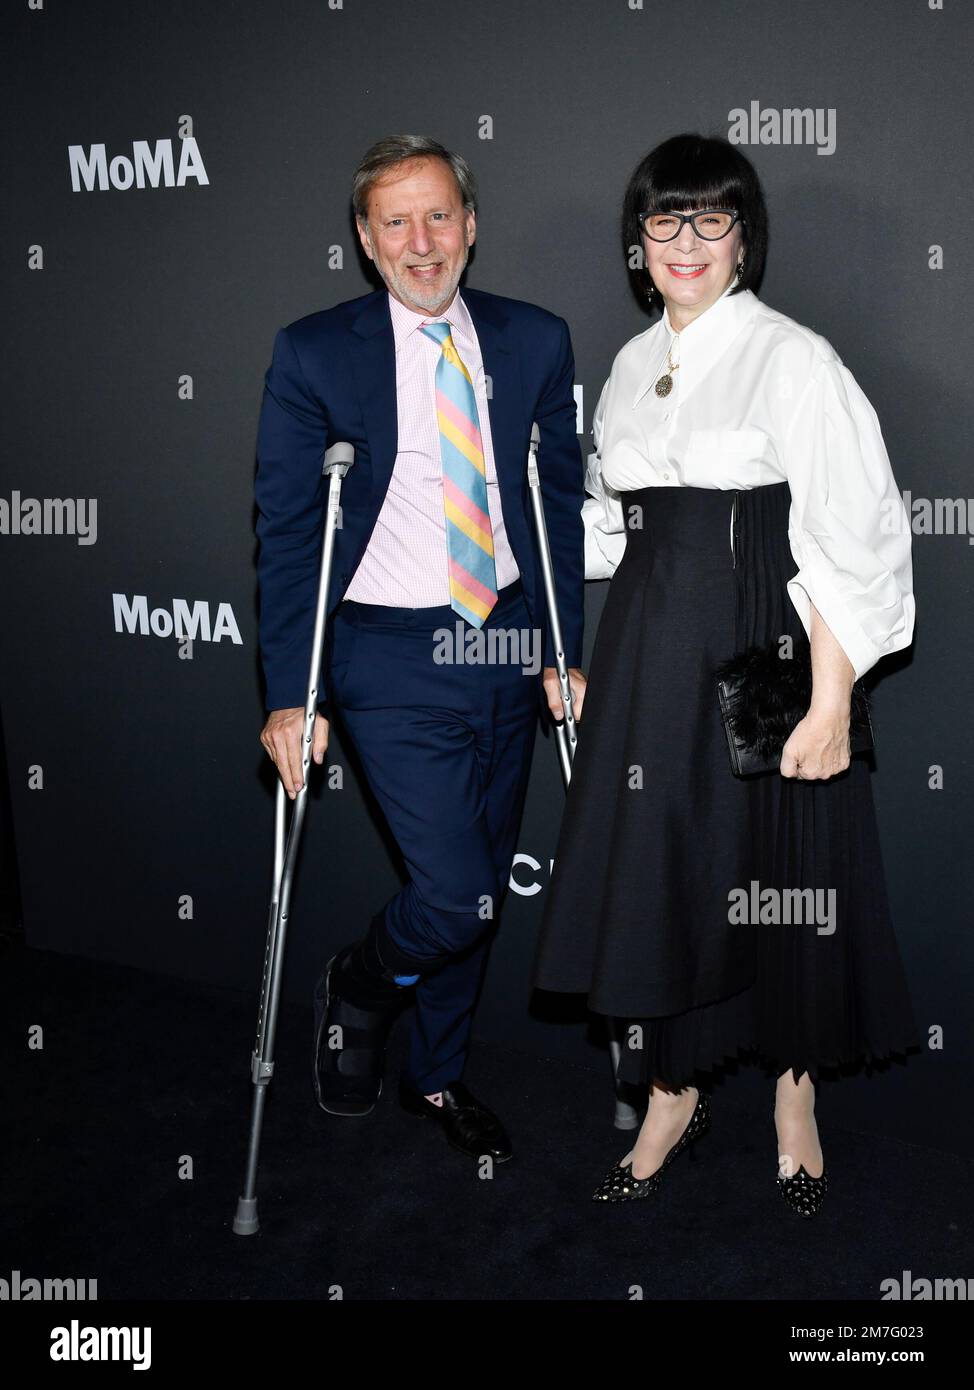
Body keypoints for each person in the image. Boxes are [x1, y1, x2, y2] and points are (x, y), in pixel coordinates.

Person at [531, 132, 917, 1216]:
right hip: (647, 662)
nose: (686, 241)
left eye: (711, 218)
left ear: (742, 239)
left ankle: (792, 1098)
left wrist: (834, 697)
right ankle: (669, 1091)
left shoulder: (791, 357)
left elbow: (857, 531)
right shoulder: (621, 367)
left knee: (778, 877)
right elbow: (614, 531)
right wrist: (511, 529)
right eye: (665, 219)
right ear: (635, 242)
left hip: (763, 653)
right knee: (666, 877)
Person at [254, 135, 587, 1164]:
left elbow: (558, 504)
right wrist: (286, 693)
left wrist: (561, 646)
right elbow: (288, 530)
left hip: (506, 634)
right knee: (450, 892)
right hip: (387, 649)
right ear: (363, 239)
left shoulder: (534, 340)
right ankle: (359, 985)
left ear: (470, 223)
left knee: (480, 885)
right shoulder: (315, 352)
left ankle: (436, 1076)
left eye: (438, 215)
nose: (420, 240)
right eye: (394, 221)